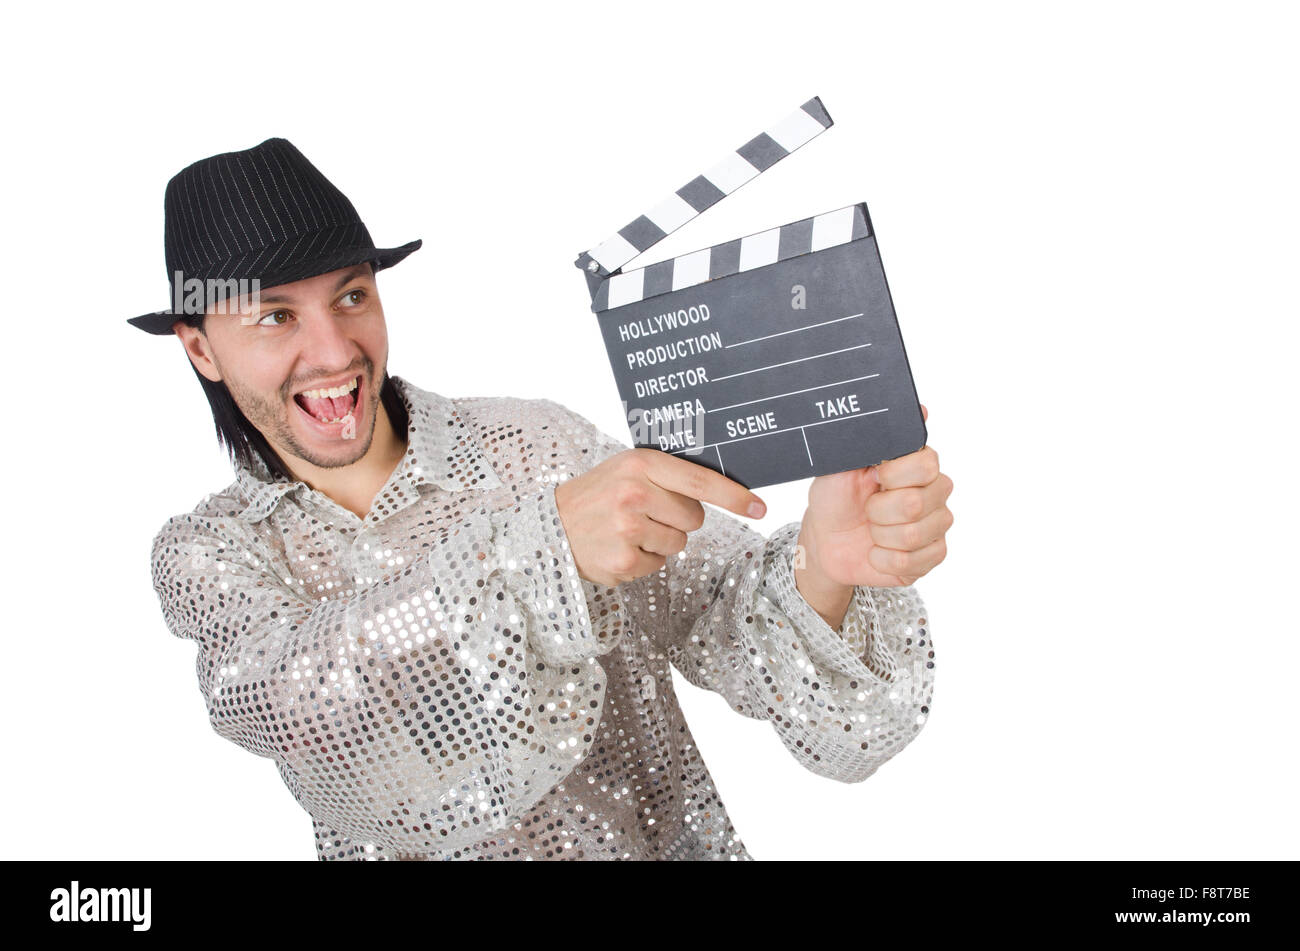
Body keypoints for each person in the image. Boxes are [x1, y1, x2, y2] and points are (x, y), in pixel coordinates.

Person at [131, 137, 954, 860]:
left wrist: (829, 566)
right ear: (201, 346)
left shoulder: (539, 448)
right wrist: (544, 550)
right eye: (275, 316)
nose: (335, 348)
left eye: (352, 295)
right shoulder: (209, 553)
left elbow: (720, 608)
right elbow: (308, 707)